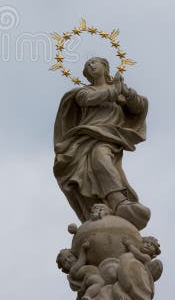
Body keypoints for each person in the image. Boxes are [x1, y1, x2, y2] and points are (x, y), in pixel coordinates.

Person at [53, 57, 151, 230]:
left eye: (94, 62)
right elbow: (90, 99)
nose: (90, 65)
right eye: (87, 65)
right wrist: (115, 90)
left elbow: (139, 107)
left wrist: (127, 93)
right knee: (84, 175)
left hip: (109, 138)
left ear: (105, 67)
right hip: (83, 139)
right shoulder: (83, 92)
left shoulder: (121, 92)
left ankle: (118, 200)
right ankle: (100, 206)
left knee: (100, 157)